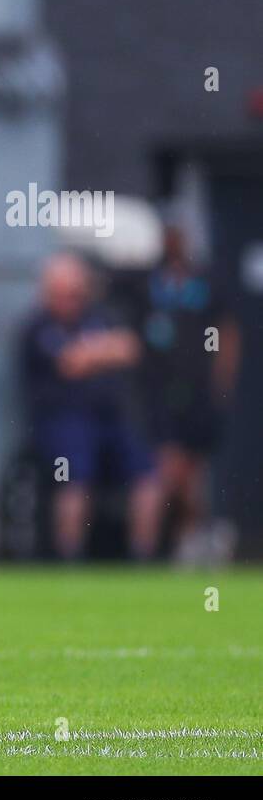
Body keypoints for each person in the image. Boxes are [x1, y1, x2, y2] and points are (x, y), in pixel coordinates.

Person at [20, 252, 161, 559]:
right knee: (75, 476)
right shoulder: (38, 326)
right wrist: (102, 350)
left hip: (109, 418)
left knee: (147, 472)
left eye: (75, 292)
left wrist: (93, 351)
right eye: (63, 293)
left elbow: (130, 347)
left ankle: (143, 557)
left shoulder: (98, 316)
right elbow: (71, 362)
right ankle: (70, 557)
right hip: (63, 421)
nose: (71, 299)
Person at [139, 226, 238, 557]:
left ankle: (192, 537)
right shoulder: (151, 284)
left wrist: (220, 382)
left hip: (198, 393)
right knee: (169, 467)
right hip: (162, 393)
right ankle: (175, 541)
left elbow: (227, 334)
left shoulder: (206, 284)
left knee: (192, 473)